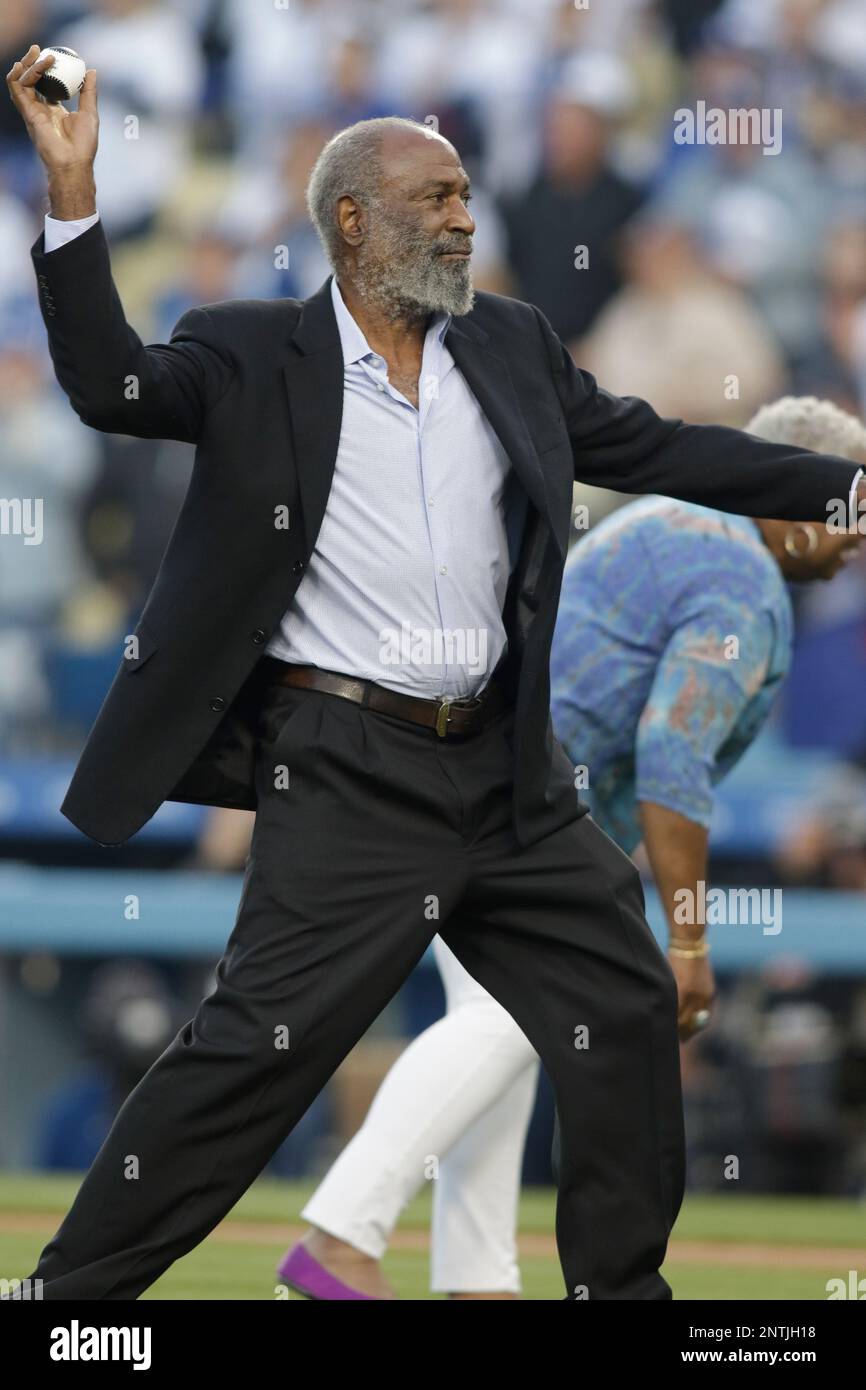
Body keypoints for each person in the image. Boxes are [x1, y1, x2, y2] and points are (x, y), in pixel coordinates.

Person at [6, 46, 864, 1302]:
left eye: (468, 195)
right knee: (257, 1052)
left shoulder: (509, 344)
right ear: (353, 222)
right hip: (345, 767)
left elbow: (662, 447)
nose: (466, 217)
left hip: (507, 771)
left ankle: (619, 1297)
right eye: (437, 198)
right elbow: (110, 384)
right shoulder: (250, 353)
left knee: (621, 1005)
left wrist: (841, 487)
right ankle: (67, 1300)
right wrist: (74, 196)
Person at [278, 395, 866, 1299]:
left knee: (503, 1031)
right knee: (512, 1021)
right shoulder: (744, 582)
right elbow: (674, 755)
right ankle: (341, 1233)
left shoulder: (674, 517)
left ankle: (477, 1281)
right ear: (794, 496)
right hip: (513, 811)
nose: (857, 537)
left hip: (460, 776)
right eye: (848, 509)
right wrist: (691, 943)